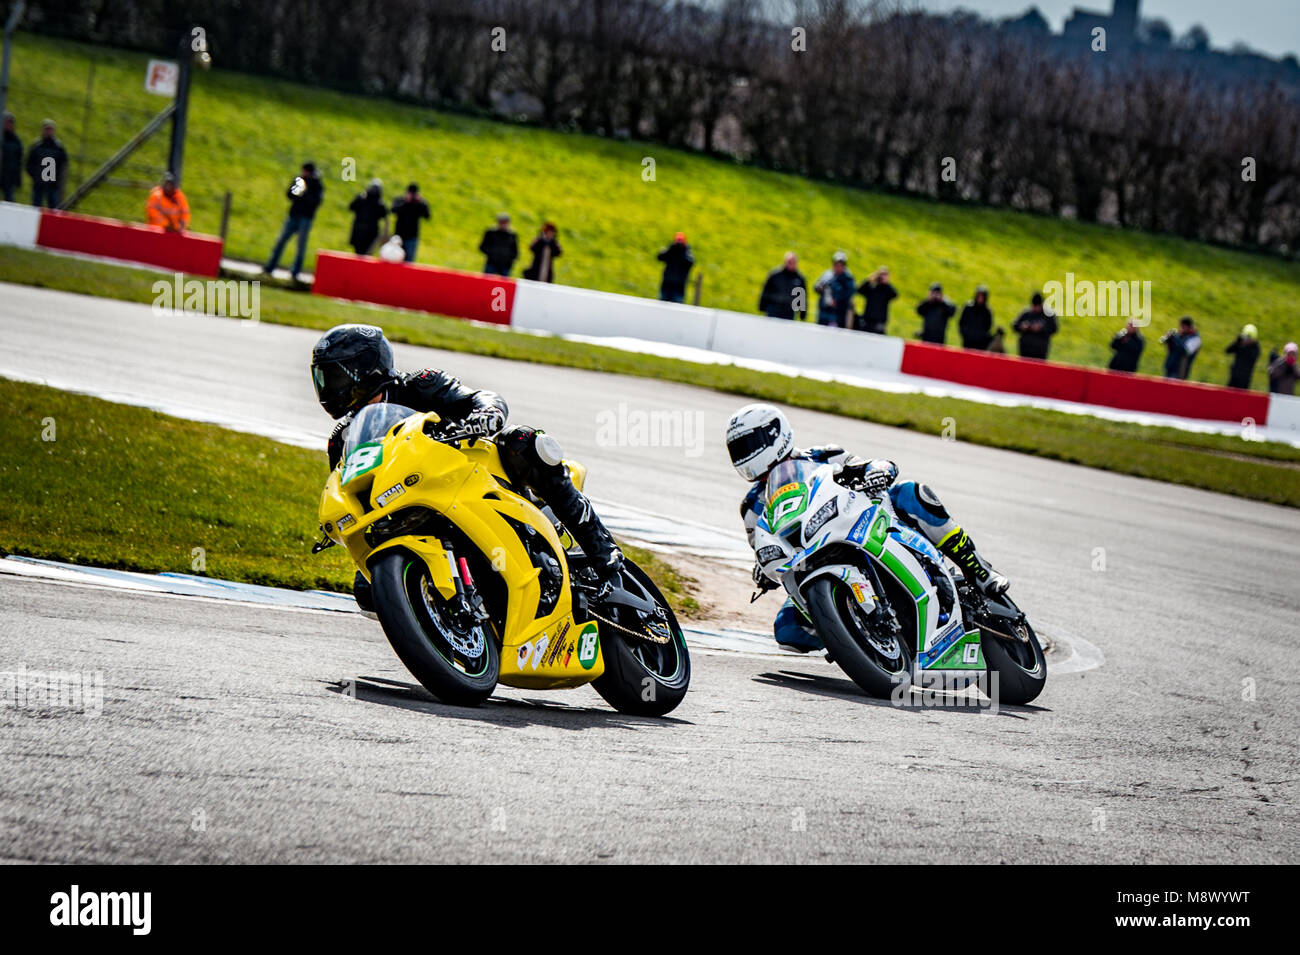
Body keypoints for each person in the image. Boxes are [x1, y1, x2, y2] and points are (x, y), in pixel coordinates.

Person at [310, 324, 626, 609]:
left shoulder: (420, 385)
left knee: (525, 442)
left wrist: (483, 415)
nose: (327, 387)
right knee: (367, 590)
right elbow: (349, 487)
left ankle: (606, 558)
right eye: (322, 378)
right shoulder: (342, 438)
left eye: (334, 376)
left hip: (471, 474)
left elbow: (482, 399)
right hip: (408, 503)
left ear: (363, 370)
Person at [726, 403, 1009, 654]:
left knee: (913, 493)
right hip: (810, 561)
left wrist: (878, 471)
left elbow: (869, 465)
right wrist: (762, 568)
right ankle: (852, 633)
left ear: (777, 434)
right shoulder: (751, 507)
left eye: (752, 444)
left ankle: (979, 570)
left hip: (865, 526)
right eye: (740, 449)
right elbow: (762, 543)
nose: (747, 454)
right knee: (786, 630)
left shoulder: (821, 456)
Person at [263, 161, 324, 281]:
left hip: (306, 218)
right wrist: (297, 193)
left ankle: (295, 272)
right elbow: (289, 194)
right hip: (293, 215)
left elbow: (316, 202)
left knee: (300, 246)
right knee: (280, 242)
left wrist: (305, 195)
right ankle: (270, 267)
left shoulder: (317, 184)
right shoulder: (300, 180)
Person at [25, 118, 67, 209]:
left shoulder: (58, 147)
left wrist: (56, 178)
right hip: (38, 183)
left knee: (53, 208)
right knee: (36, 207)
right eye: (47, 129)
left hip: (52, 184)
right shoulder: (36, 146)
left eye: (50, 129)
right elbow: (29, 163)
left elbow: (63, 166)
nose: (49, 132)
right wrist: (36, 176)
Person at [757, 252, 807, 320]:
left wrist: (803, 313)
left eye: (793, 262)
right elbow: (766, 290)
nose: (791, 264)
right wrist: (762, 306)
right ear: (785, 262)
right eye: (789, 262)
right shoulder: (775, 274)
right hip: (773, 308)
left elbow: (802, 297)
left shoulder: (799, 278)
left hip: (789, 311)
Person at [813, 251, 855, 327]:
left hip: (837, 315)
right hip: (823, 312)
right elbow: (816, 286)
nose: (838, 267)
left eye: (840, 265)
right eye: (836, 265)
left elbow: (850, 292)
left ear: (844, 266)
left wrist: (837, 301)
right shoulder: (827, 274)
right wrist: (820, 288)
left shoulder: (848, 278)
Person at [390, 183, 430, 263]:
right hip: (398, 237)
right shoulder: (400, 200)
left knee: (408, 262)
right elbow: (393, 210)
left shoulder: (419, 203)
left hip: (412, 238)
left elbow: (427, 216)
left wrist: (420, 202)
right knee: (394, 261)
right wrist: (406, 202)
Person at [1012, 292, 1058, 360]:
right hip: (1025, 350)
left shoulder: (1048, 315)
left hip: (1040, 351)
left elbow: (1054, 328)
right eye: (1034, 306)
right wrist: (1022, 326)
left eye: (1037, 306)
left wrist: (1041, 328)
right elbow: (1014, 325)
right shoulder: (1026, 313)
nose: (1035, 308)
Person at [347, 179, 387, 256]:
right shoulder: (376, 202)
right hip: (364, 232)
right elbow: (351, 207)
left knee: (360, 254)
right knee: (364, 255)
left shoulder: (364, 199)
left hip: (365, 232)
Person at [857, 266, 897, 334]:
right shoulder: (872, 286)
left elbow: (894, 294)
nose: (882, 277)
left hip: (879, 322)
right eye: (881, 274)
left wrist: (887, 283)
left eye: (885, 275)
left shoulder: (886, 289)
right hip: (867, 321)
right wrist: (869, 280)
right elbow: (859, 290)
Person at [657, 232, 694, 302]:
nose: (679, 244)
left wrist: (683, 251)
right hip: (667, 283)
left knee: (677, 304)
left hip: (679, 286)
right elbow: (659, 257)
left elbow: (690, 262)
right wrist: (670, 249)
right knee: (662, 303)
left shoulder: (687, 251)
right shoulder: (671, 250)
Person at [1225, 324, 1260, 390]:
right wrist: (1237, 342)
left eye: (1248, 337)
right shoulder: (1240, 344)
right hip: (1234, 376)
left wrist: (1243, 345)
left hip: (1244, 379)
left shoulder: (1255, 349)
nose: (1246, 339)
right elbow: (1228, 350)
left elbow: (1250, 357)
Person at [957, 285, 993, 349]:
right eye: (979, 296)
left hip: (981, 343)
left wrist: (982, 337)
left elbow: (988, 326)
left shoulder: (987, 311)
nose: (980, 299)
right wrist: (965, 335)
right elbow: (961, 322)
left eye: (982, 297)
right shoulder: (968, 307)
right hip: (967, 341)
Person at [1, 112, 22, 203]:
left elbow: (19, 161)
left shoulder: (16, 140)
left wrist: (17, 178)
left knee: (9, 201)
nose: (8, 125)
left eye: (11, 123)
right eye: (6, 122)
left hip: (9, 177)